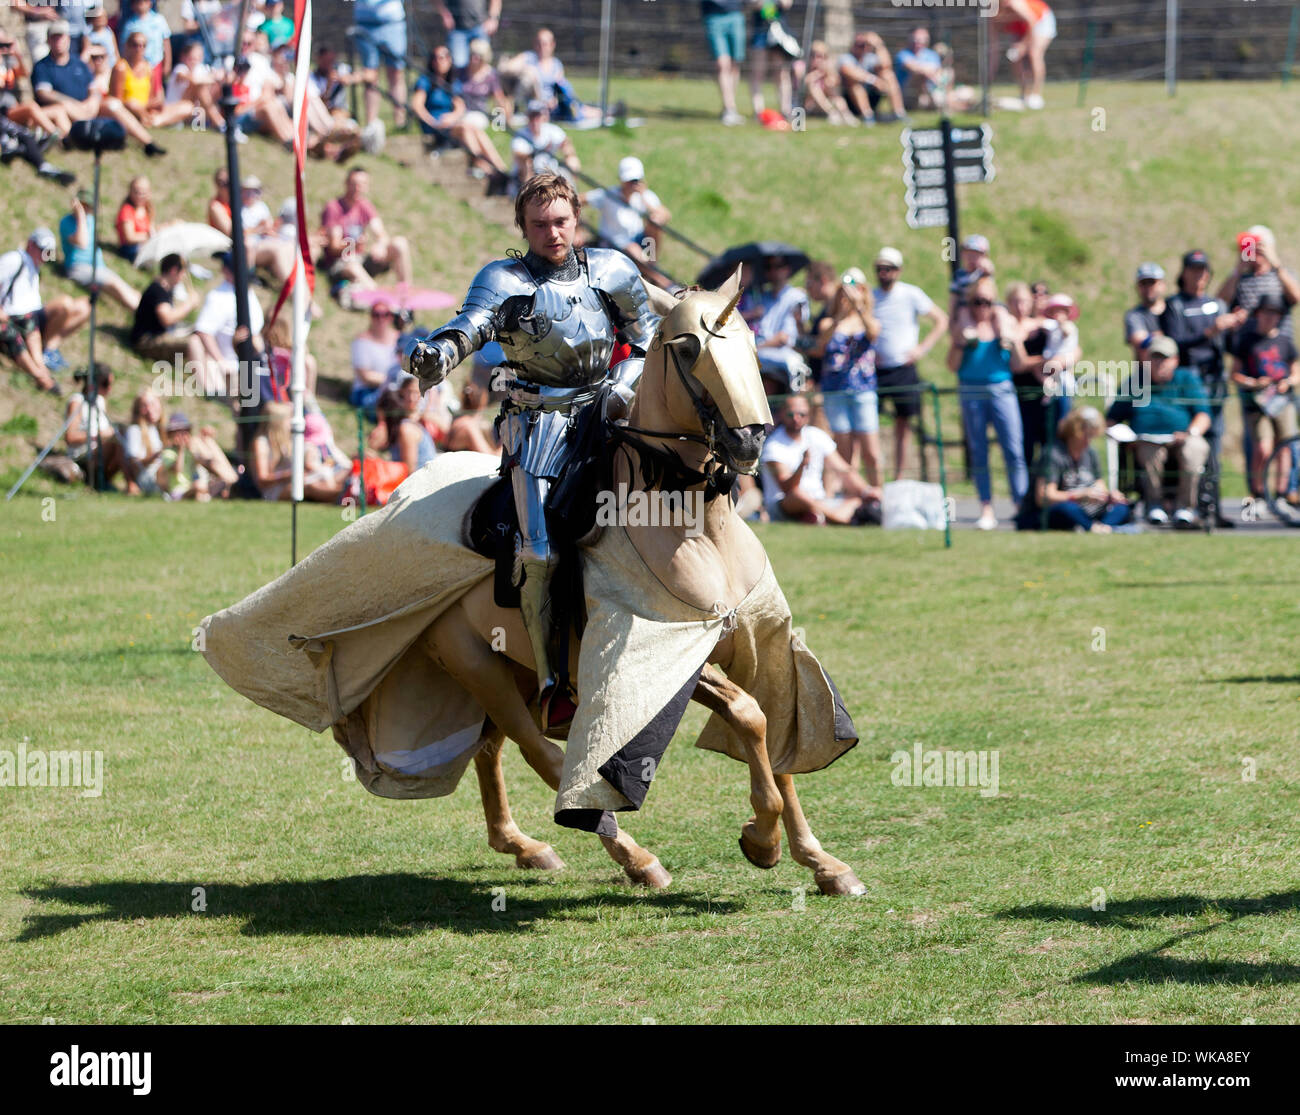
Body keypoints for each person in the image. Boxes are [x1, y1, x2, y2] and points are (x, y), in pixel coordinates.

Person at [404, 171, 659, 726]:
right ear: (522, 226)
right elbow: (468, 327)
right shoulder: (504, 280)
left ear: (577, 220)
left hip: (609, 408)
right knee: (538, 550)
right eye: (540, 223)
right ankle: (551, 683)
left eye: (561, 221)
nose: (552, 232)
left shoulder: (612, 269)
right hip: (537, 423)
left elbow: (647, 332)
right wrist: (438, 355)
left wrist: (623, 383)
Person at [1159, 249, 1247, 527]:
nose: (1200, 275)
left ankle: (1213, 507)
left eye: (1204, 270)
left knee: (1214, 445)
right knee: (1187, 446)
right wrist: (1211, 331)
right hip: (1187, 387)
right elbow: (1176, 343)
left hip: (1214, 385)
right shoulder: (1174, 306)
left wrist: (1235, 328)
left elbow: (1229, 347)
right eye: (1194, 269)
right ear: (1183, 273)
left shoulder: (1217, 305)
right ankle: (1183, 506)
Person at [946, 276, 1030, 531]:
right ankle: (986, 507)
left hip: (1001, 389)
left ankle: (1020, 505)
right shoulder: (964, 325)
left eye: (987, 301)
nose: (982, 306)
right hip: (971, 391)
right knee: (979, 451)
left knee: (1014, 450)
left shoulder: (1002, 325)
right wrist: (961, 342)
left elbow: (1018, 364)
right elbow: (951, 365)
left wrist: (1012, 340)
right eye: (977, 301)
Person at [1106, 335, 1210, 528]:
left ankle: (1185, 508)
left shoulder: (1187, 379)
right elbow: (1112, 419)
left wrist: (1190, 433)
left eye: (1164, 358)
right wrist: (1125, 436)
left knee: (1194, 449)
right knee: (1149, 449)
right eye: (1155, 357)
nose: (1159, 363)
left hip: (1183, 437)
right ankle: (1154, 504)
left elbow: (1203, 415)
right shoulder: (1135, 381)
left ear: (1175, 360)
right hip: (1147, 440)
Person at [31, 21, 166, 156]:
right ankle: (71, 143)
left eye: (61, 37)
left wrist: (92, 101)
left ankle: (147, 143)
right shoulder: (42, 66)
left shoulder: (79, 64)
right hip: (65, 110)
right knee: (62, 108)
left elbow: (93, 88)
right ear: (48, 40)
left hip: (88, 107)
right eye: (54, 37)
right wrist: (72, 104)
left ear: (68, 39)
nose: (58, 41)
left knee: (113, 104)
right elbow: (43, 93)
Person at [871, 247, 946, 479]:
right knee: (869, 423)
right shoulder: (871, 296)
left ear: (898, 271)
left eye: (889, 269)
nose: (884, 273)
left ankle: (900, 475)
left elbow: (940, 319)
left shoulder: (910, 294)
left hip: (903, 368)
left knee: (904, 424)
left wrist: (922, 349)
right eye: (880, 269)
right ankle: (875, 475)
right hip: (876, 369)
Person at [760, 394, 880, 524]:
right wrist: (802, 466)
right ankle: (844, 520)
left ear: (809, 414)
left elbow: (844, 470)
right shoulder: (773, 446)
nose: (796, 418)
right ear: (782, 414)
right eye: (791, 414)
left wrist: (867, 491)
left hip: (819, 501)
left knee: (856, 499)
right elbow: (787, 488)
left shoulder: (816, 435)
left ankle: (817, 516)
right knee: (798, 495)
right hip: (785, 503)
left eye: (802, 414)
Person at [810, 269, 881, 486]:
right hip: (835, 390)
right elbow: (821, 344)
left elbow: (873, 332)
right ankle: (854, 495)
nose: (848, 295)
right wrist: (840, 313)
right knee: (844, 450)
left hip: (863, 389)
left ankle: (878, 494)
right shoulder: (829, 322)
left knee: (871, 451)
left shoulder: (870, 321)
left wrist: (859, 307)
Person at [1229, 293, 1299, 504]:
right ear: (1258, 314)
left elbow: (1296, 372)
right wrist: (1253, 383)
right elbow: (1234, 373)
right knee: (1263, 447)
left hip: (1282, 400)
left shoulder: (1285, 341)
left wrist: (1288, 382)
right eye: (1267, 312)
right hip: (1258, 403)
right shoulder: (1247, 341)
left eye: (1275, 313)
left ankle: (1281, 493)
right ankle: (1258, 492)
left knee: (1286, 447)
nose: (1270, 317)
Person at [0, 228, 89, 391]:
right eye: (42, 250)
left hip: (28, 317)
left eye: (47, 253)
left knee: (83, 305)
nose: (44, 256)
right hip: (13, 317)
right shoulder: (15, 259)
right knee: (25, 328)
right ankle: (41, 376)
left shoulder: (34, 268)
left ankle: (42, 365)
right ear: (31, 244)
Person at [410, 45, 509, 179]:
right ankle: (486, 167)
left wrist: (453, 116)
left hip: (449, 123)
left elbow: (460, 106)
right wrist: (432, 122)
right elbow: (417, 106)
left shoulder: (453, 82)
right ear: (432, 61)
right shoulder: (425, 80)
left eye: (445, 57)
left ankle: (499, 166)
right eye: (437, 58)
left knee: (471, 128)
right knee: (465, 128)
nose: (441, 61)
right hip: (433, 125)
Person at [320, 165, 413, 297]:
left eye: (362, 184)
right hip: (340, 263)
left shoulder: (364, 205)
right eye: (354, 184)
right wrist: (353, 244)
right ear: (346, 183)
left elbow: (381, 233)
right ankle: (382, 299)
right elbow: (333, 246)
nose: (358, 188)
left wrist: (380, 245)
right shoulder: (334, 207)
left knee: (400, 243)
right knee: (353, 265)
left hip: (361, 259)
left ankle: (405, 295)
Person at [1036, 407, 1131, 533]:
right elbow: (1043, 497)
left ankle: (1102, 527)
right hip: (1066, 507)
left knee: (1122, 508)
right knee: (1068, 509)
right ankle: (1091, 526)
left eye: (1092, 435)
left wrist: (1109, 496)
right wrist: (1078, 496)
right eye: (1085, 435)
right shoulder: (1053, 454)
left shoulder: (1090, 453)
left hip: (1089, 509)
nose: (1088, 440)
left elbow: (1100, 486)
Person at [584, 157, 673, 290]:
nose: (633, 184)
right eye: (630, 181)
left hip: (639, 241)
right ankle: (660, 280)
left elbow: (665, 215)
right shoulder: (609, 195)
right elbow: (581, 199)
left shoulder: (645, 196)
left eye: (635, 180)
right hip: (614, 244)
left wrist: (644, 200)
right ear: (622, 180)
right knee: (632, 248)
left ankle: (651, 266)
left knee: (655, 222)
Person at [194, 251, 265, 397]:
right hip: (226, 363)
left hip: (251, 363)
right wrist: (220, 361)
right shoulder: (218, 297)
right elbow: (203, 332)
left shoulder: (249, 293)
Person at [59, 188, 140, 312]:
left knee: (132, 292)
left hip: (98, 267)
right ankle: (142, 313)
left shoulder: (90, 220)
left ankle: (149, 311)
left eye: (89, 207)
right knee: (114, 286)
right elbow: (82, 243)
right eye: (83, 205)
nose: (86, 210)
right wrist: (80, 216)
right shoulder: (66, 222)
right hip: (79, 267)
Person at [131, 252, 210, 376]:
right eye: (182, 272)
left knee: (202, 333)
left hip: (159, 335)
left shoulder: (165, 289)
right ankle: (205, 384)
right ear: (174, 270)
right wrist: (189, 304)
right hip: (147, 341)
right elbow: (167, 318)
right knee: (192, 341)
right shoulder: (158, 290)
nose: (183, 277)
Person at [111, 29, 192, 129]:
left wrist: (154, 105)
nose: (138, 49)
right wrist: (139, 107)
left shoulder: (148, 68)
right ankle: (150, 121)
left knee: (187, 106)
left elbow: (151, 99)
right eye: (135, 45)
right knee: (132, 103)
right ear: (127, 46)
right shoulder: (121, 68)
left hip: (145, 110)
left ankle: (152, 121)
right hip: (129, 109)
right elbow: (117, 101)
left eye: (142, 45)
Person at [753, 255, 810, 396]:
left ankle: (798, 400)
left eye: (778, 266)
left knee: (796, 362)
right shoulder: (761, 298)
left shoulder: (796, 297)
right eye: (769, 267)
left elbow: (784, 338)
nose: (773, 271)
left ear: (787, 269)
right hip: (761, 353)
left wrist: (757, 347)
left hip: (784, 352)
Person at [65, 364, 125, 487]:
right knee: (118, 441)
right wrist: (99, 435)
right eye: (105, 384)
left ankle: (105, 481)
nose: (109, 389)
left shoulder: (100, 401)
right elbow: (70, 437)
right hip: (82, 455)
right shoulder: (77, 401)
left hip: (99, 453)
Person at [350, 0, 407, 130]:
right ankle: (371, 125)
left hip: (392, 21)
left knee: (396, 73)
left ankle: (400, 123)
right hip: (364, 23)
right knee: (370, 76)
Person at [991, 0, 1055, 110]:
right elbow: (993, 44)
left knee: (1034, 54)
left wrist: (1023, 45)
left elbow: (1032, 21)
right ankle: (1023, 94)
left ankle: (1036, 95)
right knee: (1014, 57)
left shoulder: (1014, 4)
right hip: (1021, 27)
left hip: (1040, 20)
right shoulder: (990, 11)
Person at [748, 0, 801, 123]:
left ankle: (785, 111)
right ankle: (759, 112)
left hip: (779, 31)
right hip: (760, 30)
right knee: (758, 72)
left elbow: (786, 3)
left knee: (782, 73)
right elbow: (753, 4)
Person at [371, 374, 438, 473]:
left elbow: (409, 471)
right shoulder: (397, 428)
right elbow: (374, 445)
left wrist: (381, 464)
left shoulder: (406, 429)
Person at [838, 30, 905, 125]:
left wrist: (879, 45)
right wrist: (874, 80)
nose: (863, 47)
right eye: (859, 44)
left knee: (888, 75)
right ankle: (868, 116)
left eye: (865, 44)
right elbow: (849, 71)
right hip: (851, 101)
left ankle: (899, 113)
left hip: (871, 96)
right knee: (854, 84)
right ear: (853, 45)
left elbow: (886, 66)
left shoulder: (870, 57)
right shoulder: (846, 57)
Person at [350, 299, 403, 414]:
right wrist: (395, 382)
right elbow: (365, 376)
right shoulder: (361, 342)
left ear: (391, 317)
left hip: (396, 389)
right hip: (368, 390)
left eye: (385, 314)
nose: (381, 319)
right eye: (376, 315)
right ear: (371, 316)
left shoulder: (400, 338)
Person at [509, 99, 579, 187]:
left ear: (544, 116)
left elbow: (566, 144)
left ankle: (572, 196)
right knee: (527, 164)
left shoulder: (552, 130)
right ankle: (528, 195)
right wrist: (539, 151)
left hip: (551, 172)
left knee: (571, 163)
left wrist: (569, 157)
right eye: (532, 116)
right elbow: (520, 155)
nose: (535, 120)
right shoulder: (521, 134)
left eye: (537, 116)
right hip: (530, 174)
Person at [701, 0, 746, 126]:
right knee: (722, 64)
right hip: (713, 16)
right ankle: (729, 108)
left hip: (735, 14)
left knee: (735, 64)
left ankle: (730, 106)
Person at [434, 0, 501, 72]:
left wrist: (493, 18)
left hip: (480, 27)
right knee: (459, 66)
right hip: (457, 30)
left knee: (483, 64)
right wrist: (443, 13)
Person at [117, 0, 172, 83]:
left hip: (155, 63)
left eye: (145, 1)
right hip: (136, 65)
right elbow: (124, 47)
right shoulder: (129, 25)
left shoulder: (159, 20)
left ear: (150, 3)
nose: (141, 4)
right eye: (138, 2)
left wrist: (167, 63)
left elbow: (166, 42)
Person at [123, 388, 165, 495]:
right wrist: (155, 457)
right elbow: (135, 465)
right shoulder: (134, 430)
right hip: (147, 477)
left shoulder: (158, 429)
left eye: (153, 404)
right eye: (145, 405)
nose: (150, 409)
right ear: (138, 410)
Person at [801, 40, 854, 126]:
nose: (816, 59)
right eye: (813, 55)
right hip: (808, 104)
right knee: (813, 86)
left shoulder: (828, 69)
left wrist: (827, 73)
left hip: (828, 102)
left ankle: (846, 114)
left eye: (820, 56)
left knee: (837, 98)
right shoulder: (802, 67)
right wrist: (818, 73)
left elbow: (834, 84)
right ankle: (832, 113)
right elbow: (804, 83)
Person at [893, 27, 944, 111]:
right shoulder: (902, 55)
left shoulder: (932, 55)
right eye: (915, 39)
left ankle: (934, 101)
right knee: (919, 75)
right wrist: (927, 71)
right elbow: (914, 69)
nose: (917, 42)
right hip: (908, 95)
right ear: (909, 39)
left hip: (930, 90)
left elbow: (939, 72)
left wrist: (923, 69)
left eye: (921, 39)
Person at [1125, 262, 1166, 363]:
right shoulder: (1134, 315)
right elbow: (1142, 342)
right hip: (1146, 373)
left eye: (1152, 282)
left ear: (1162, 285)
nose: (1148, 288)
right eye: (1143, 283)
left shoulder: (1174, 309)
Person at [115, 175, 154, 262]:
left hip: (144, 245)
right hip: (130, 250)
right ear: (130, 192)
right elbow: (130, 237)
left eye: (143, 192)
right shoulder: (127, 210)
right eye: (137, 192)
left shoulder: (147, 209)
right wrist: (149, 235)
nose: (140, 195)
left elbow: (151, 229)